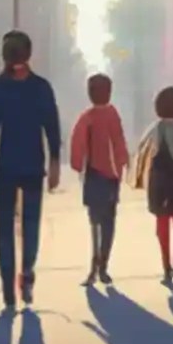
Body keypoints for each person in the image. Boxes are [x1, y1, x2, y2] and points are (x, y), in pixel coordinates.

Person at [0, 30, 62, 310]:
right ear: (28, 54)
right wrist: (53, 161)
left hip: (7, 165)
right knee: (30, 224)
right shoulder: (41, 87)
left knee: (4, 228)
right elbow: (52, 126)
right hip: (32, 164)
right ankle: (25, 274)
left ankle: (8, 287)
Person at [69, 74, 129, 286]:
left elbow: (77, 142)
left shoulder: (87, 117)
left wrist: (76, 164)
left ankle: (95, 265)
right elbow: (119, 139)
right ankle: (103, 265)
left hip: (94, 175)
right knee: (109, 222)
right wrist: (123, 163)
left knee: (94, 221)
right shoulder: (113, 114)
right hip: (111, 176)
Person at [133, 87, 173, 284]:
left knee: (162, 223)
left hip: (159, 180)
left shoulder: (156, 128)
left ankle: (166, 266)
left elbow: (143, 150)